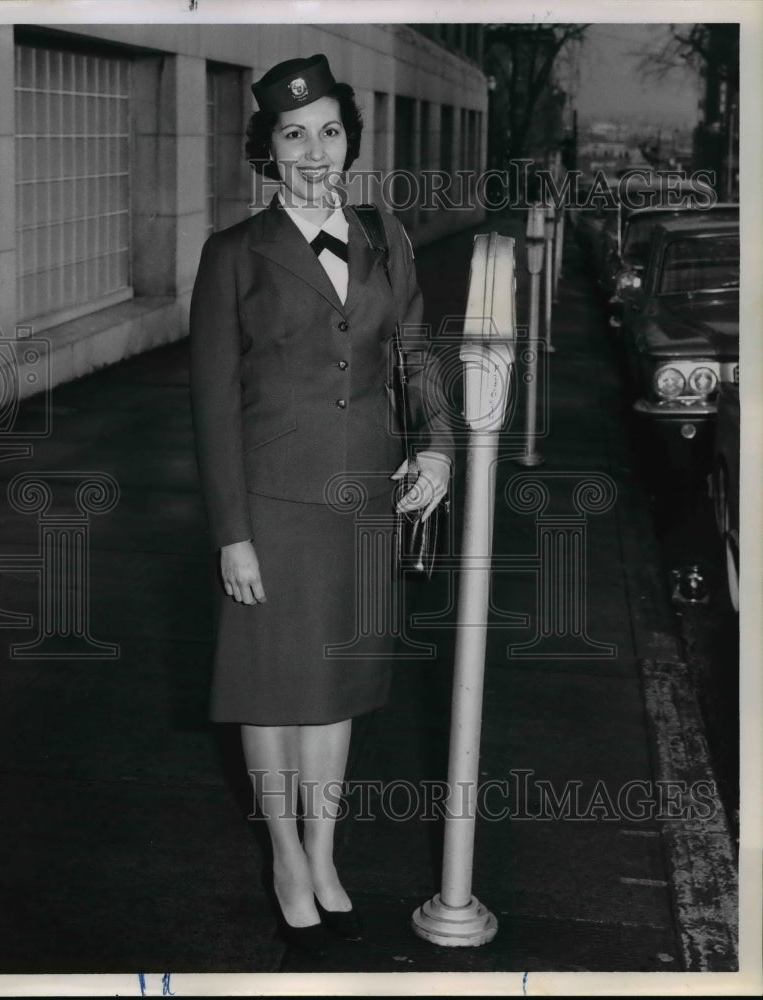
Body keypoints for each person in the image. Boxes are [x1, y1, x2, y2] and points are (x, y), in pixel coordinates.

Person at [189, 54, 454, 954]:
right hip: (270, 505)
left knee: (335, 689)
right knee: (272, 692)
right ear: (267, 149)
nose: (315, 150)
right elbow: (213, 407)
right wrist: (232, 535)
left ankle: (324, 849)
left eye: (330, 131)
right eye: (293, 135)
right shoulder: (232, 255)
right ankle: (284, 861)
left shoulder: (386, 236)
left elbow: (414, 354)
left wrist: (439, 445)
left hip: (362, 501)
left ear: (349, 139)